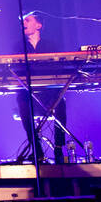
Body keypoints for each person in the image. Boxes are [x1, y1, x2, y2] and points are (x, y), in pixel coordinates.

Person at [15, 11, 68, 164]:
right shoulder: (19, 46)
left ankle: (58, 147)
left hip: (49, 90)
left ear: (38, 25)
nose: (23, 23)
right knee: (22, 102)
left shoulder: (51, 45)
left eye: (28, 20)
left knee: (61, 102)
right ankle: (37, 149)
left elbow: (59, 66)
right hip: (28, 91)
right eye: (22, 21)